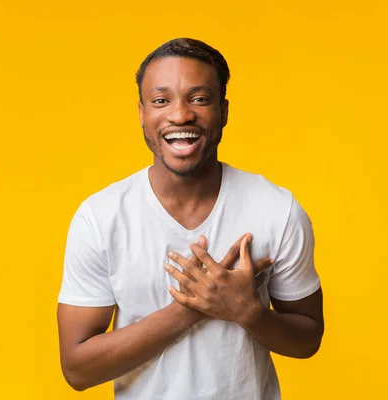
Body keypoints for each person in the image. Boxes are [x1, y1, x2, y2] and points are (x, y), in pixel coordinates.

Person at [57, 38, 324, 400]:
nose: (180, 115)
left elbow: (308, 338)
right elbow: (77, 369)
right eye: (161, 100)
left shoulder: (277, 209)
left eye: (199, 99)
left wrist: (248, 312)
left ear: (224, 111)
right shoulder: (101, 218)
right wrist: (190, 309)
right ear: (141, 112)